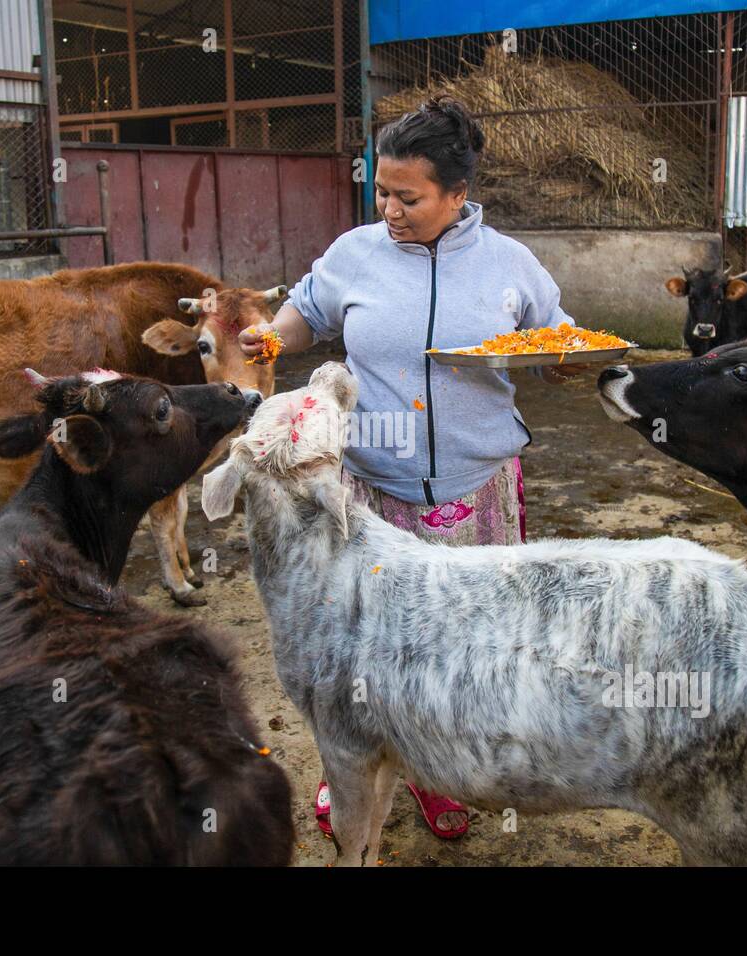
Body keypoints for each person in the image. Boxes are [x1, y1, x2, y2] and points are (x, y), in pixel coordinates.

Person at [239, 94, 584, 841]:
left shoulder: (510, 264)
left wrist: (565, 358)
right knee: (361, 651)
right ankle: (354, 769)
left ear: (458, 195)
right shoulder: (355, 254)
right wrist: (272, 337)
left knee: (461, 651)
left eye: (409, 196)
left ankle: (438, 773)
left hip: (475, 487)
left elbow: (556, 341)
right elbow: (307, 311)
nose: (390, 209)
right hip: (369, 497)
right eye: (381, 193)